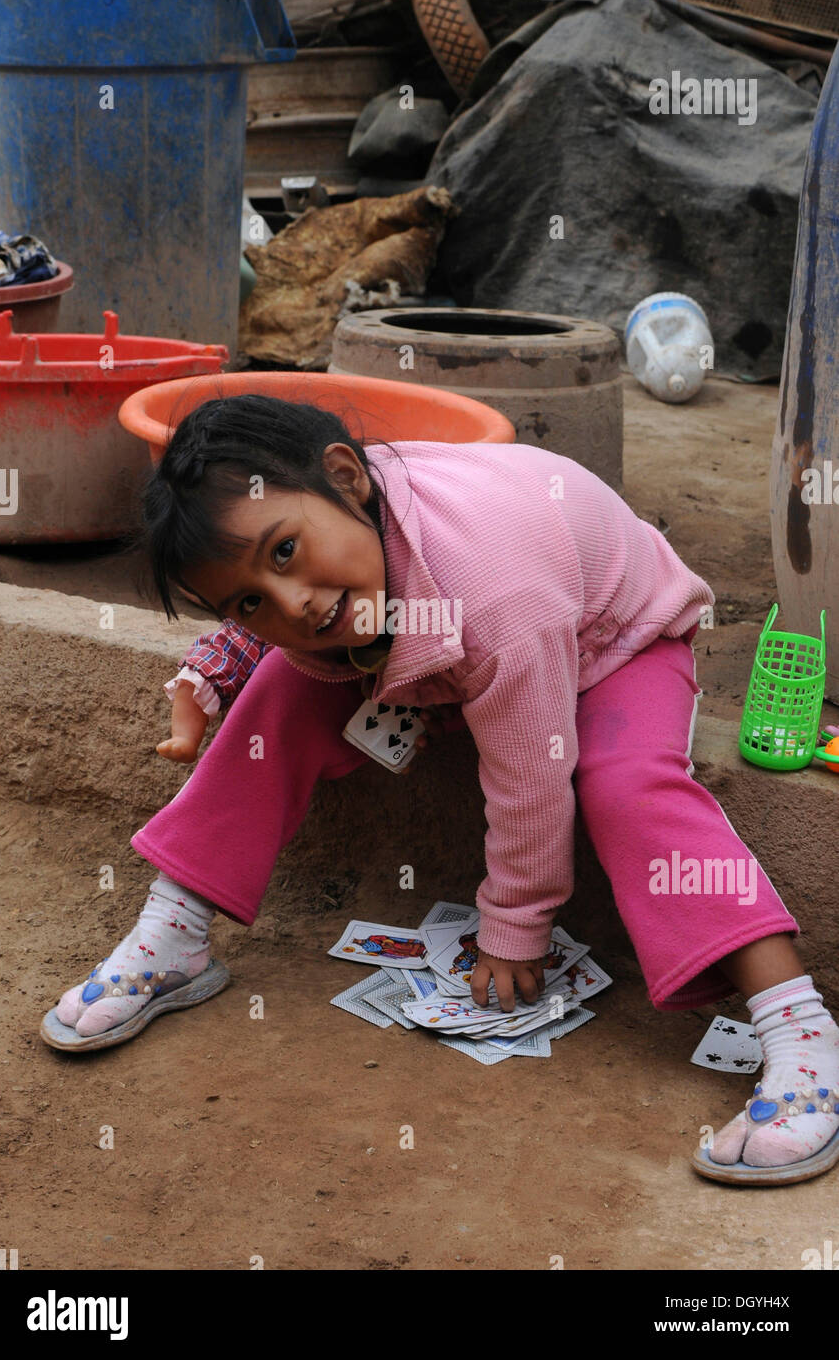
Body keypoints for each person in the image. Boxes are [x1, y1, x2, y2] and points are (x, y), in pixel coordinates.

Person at [41, 392, 839, 1185]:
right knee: (279, 694)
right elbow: (255, 606)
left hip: (612, 646)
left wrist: (515, 927)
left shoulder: (496, 588)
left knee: (628, 785)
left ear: (347, 478)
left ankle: (802, 1033)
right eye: (253, 600)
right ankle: (173, 934)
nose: (295, 604)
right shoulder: (337, 560)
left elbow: (532, 776)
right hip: (444, 656)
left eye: (286, 554)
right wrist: (215, 671)